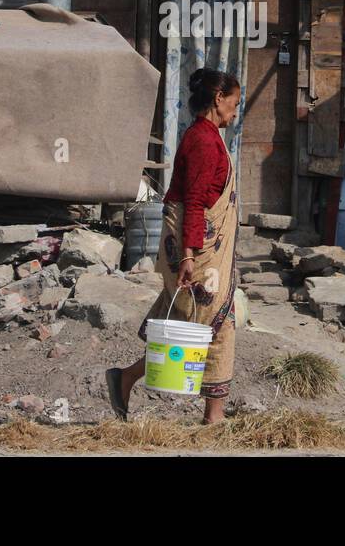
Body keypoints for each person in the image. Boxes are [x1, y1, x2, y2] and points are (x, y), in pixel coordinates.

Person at [106, 68, 241, 424]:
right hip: (194, 246)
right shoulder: (203, 141)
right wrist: (188, 254)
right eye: (234, 103)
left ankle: (127, 378)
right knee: (216, 322)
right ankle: (214, 417)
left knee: (190, 321)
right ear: (218, 99)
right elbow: (194, 203)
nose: (235, 111)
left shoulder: (208, 136)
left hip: (199, 246)